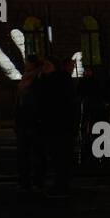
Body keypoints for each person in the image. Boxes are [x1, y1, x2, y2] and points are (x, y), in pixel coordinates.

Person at [36, 56, 78, 197]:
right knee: (57, 157)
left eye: (48, 65)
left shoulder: (58, 80)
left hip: (60, 125)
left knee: (60, 157)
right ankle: (60, 184)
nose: (44, 67)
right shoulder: (50, 80)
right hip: (56, 125)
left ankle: (61, 185)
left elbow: (65, 103)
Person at [14, 56, 42, 192]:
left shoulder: (37, 78)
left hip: (31, 120)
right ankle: (25, 180)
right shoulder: (26, 77)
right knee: (23, 154)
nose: (25, 64)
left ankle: (36, 181)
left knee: (35, 153)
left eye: (27, 62)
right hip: (23, 120)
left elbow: (34, 101)